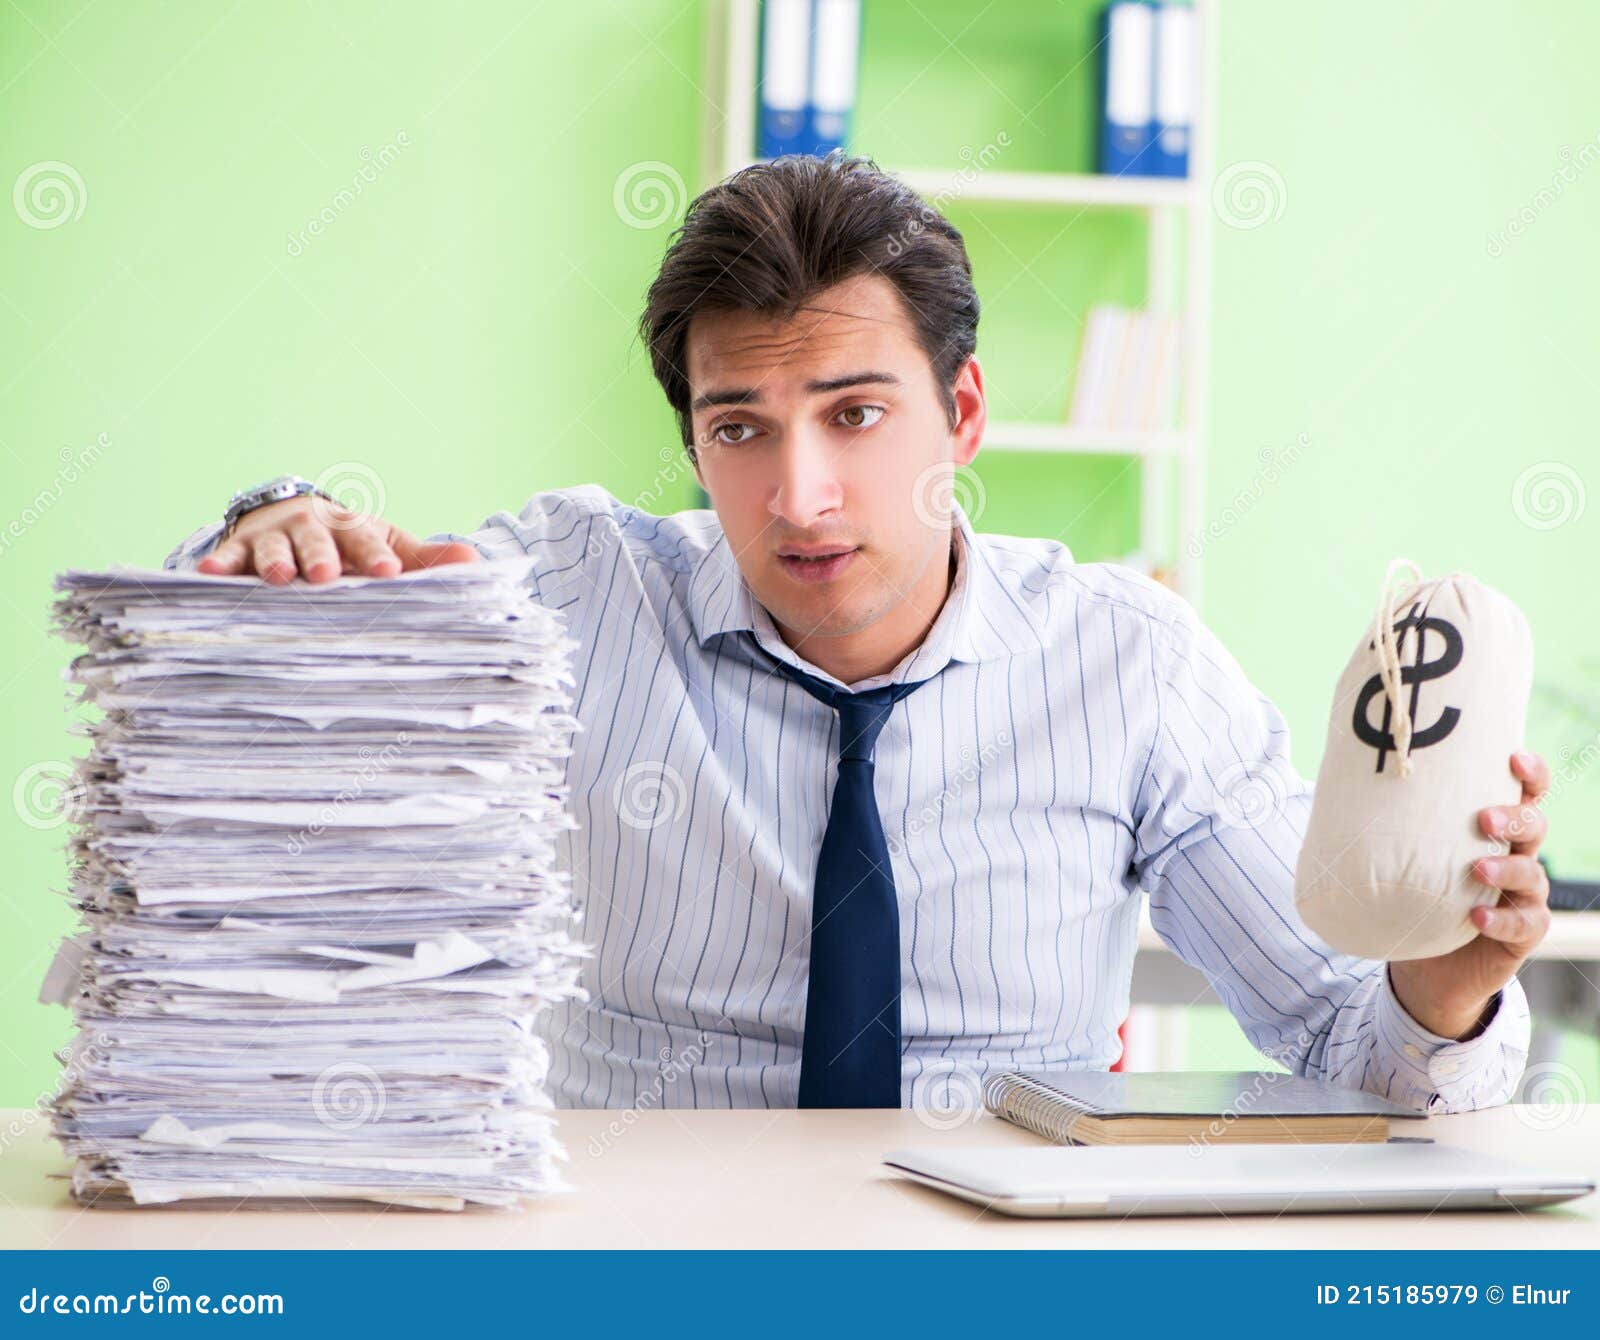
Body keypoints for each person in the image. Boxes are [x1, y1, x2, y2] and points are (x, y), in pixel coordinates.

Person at [166, 154, 1551, 1112]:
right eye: (740, 430)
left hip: (995, 1273)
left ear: (962, 415)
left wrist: (1447, 988)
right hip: (634, 1262)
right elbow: (268, 660)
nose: (800, 495)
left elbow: (1346, 1042)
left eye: (857, 413)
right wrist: (272, 522)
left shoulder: (1133, 663)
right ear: (694, 446)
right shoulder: (585, 588)